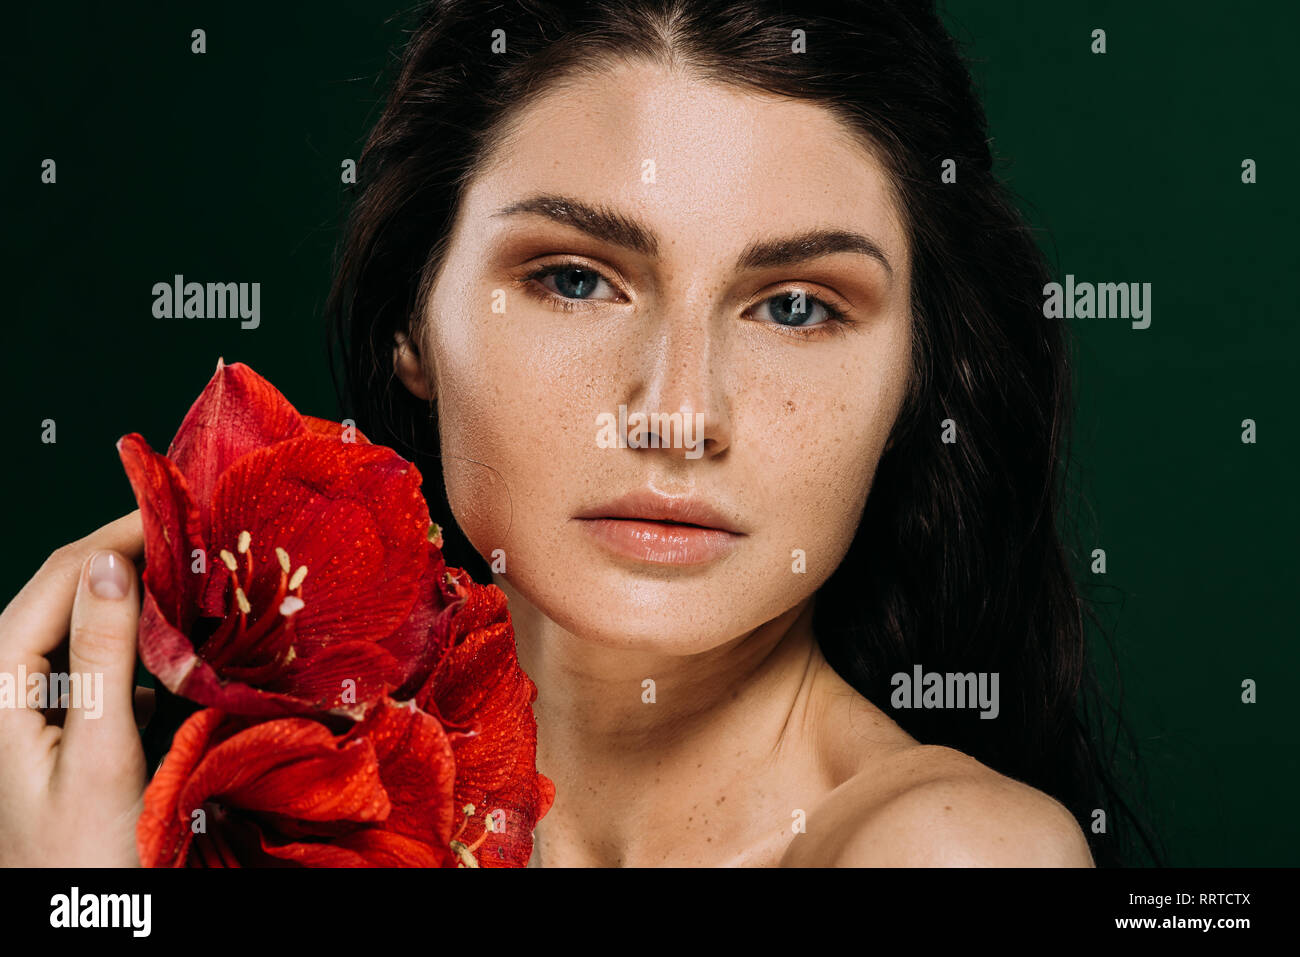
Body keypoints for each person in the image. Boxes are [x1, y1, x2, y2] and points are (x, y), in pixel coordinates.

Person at [0, 0, 1150, 866]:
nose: (677, 414)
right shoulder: (247, 807)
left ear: (916, 381)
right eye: (572, 279)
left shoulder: (951, 852)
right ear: (412, 315)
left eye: (796, 306)